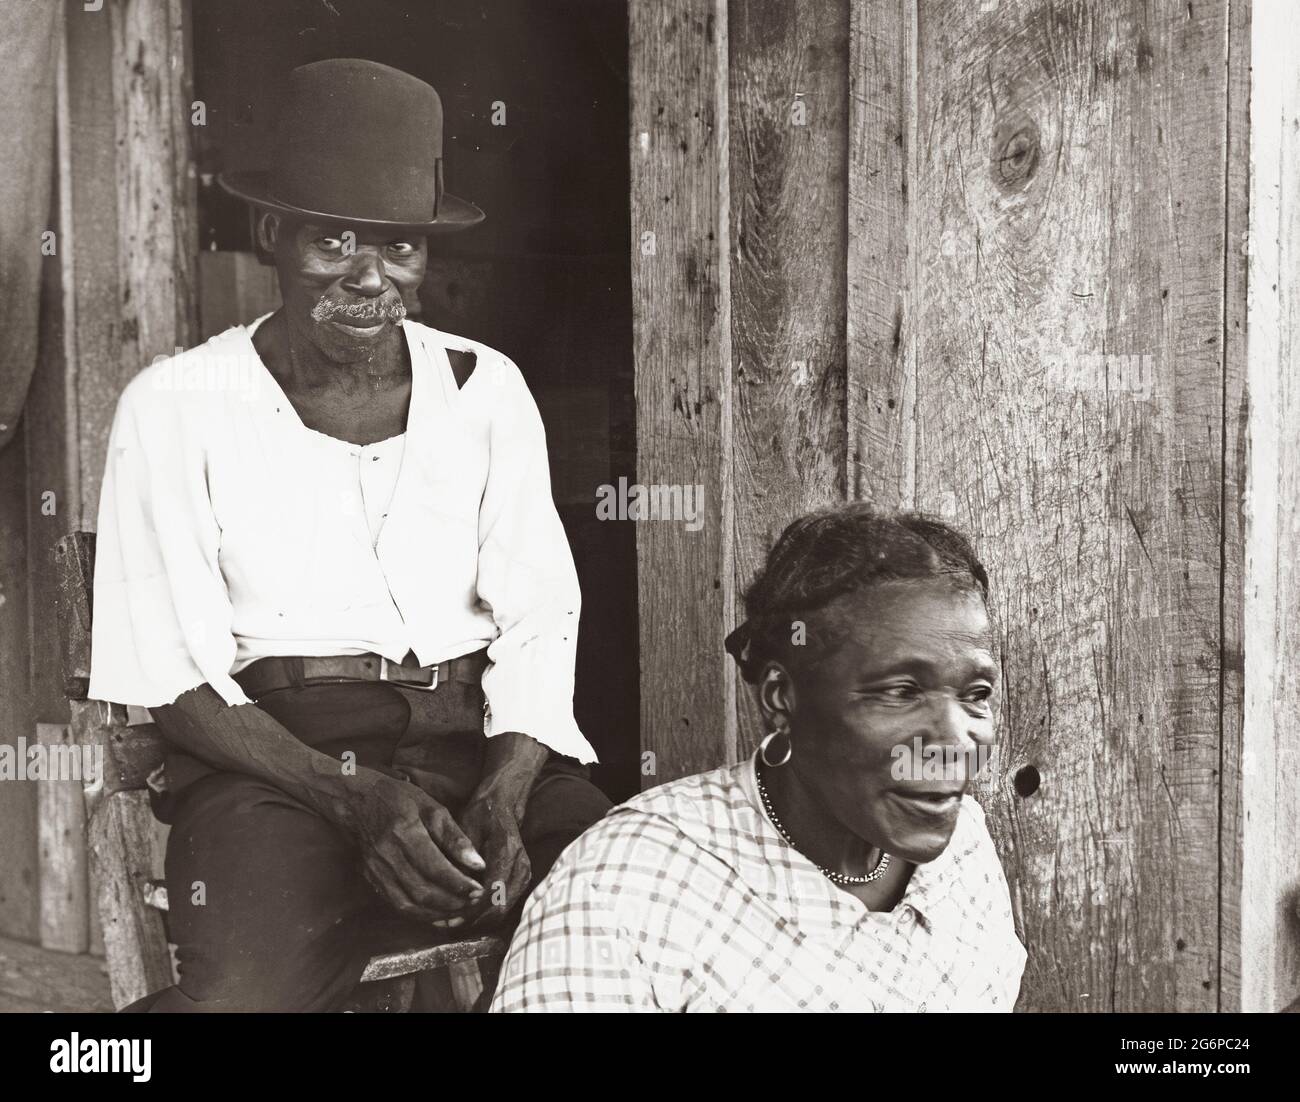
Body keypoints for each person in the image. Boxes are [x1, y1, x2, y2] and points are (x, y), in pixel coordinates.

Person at [88, 58, 611, 1012]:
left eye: (400, 247)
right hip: (275, 765)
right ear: (271, 235)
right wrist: (351, 797)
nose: (371, 278)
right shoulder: (175, 406)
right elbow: (171, 680)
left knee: (629, 915)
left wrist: (500, 796)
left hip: (479, 746)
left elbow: (540, 619)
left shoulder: (484, 388)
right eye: (334, 241)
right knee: (245, 995)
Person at [490, 503, 1027, 1012]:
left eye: (976, 693)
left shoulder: (965, 848)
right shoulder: (622, 889)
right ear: (780, 698)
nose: (956, 742)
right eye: (901, 691)